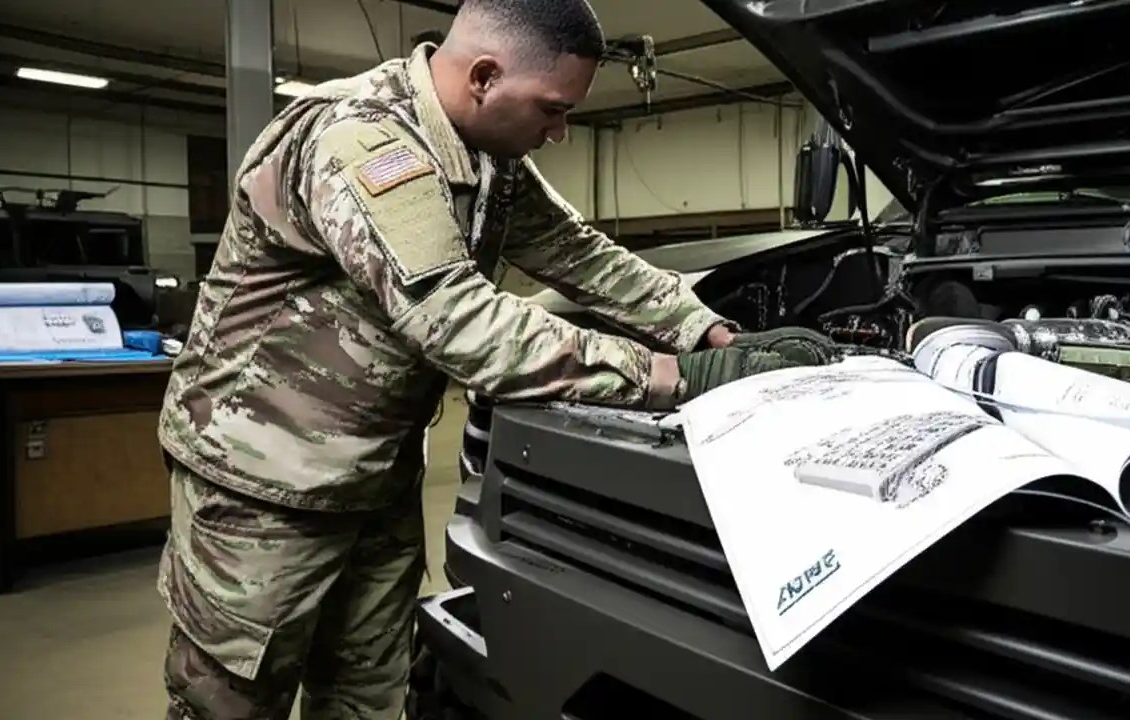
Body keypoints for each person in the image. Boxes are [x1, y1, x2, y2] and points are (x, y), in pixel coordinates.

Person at [155, 0, 833, 717]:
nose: (560, 132)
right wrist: (675, 376)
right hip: (261, 491)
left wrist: (711, 334)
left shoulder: (485, 153)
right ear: (484, 76)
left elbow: (579, 255)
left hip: (373, 480)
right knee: (230, 706)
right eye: (551, 109)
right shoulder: (362, 138)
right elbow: (457, 321)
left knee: (368, 700)